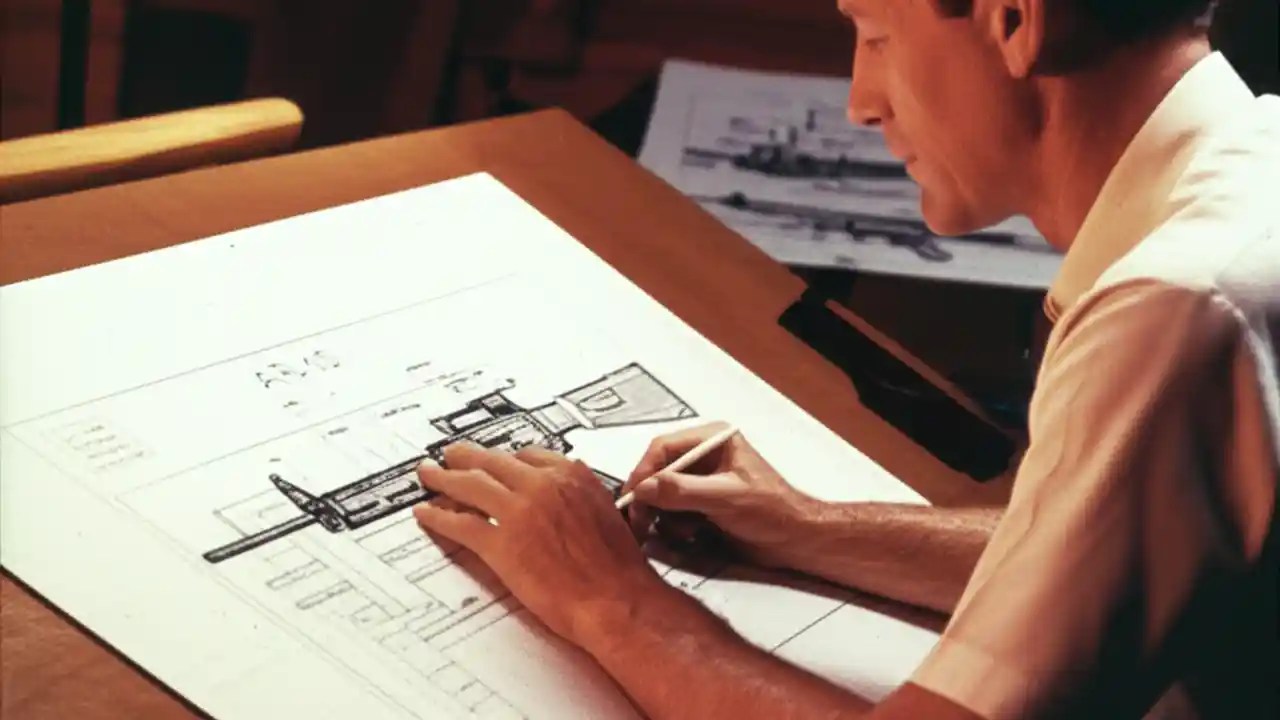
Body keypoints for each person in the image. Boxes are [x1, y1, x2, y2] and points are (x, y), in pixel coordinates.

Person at [412, 0, 1279, 717]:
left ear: (1014, 19)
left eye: (875, 35)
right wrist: (807, 529)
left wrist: (616, 603)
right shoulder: (1247, 179)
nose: (861, 101)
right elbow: (1089, 561)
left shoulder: (1174, 310)